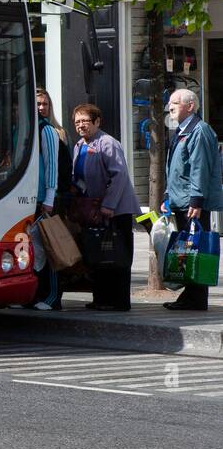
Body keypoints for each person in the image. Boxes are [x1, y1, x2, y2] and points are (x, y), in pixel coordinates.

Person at [71, 103, 140, 311]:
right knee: (98, 254)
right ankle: (101, 298)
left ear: (97, 121)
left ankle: (118, 301)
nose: (81, 125)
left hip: (116, 209)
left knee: (117, 255)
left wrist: (109, 204)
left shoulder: (108, 143)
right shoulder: (79, 145)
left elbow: (119, 175)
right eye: (77, 122)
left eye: (85, 121)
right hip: (94, 211)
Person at [161, 88, 223, 310]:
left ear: (190, 106)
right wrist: (168, 195)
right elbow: (176, 168)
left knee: (194, 249)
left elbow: (200, 168)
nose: (170, 106)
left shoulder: (200, 131)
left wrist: (196, 201)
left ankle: (196, 298)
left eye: (175, 103)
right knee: (186, 251)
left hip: (192, 203)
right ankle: (190, 296)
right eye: (169, 103)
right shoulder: (181, 131)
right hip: (181, 200)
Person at [31, 88, 70, 310]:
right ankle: (35, 295)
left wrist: (49, 197)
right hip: (31, 199)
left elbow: (53, 166)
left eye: (44, 104)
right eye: (37, 104)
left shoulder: (46, 130)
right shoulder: (27, 129)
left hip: (46, 200)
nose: (41, 108)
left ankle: (53, 297)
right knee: (35, 249)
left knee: (50, 246)